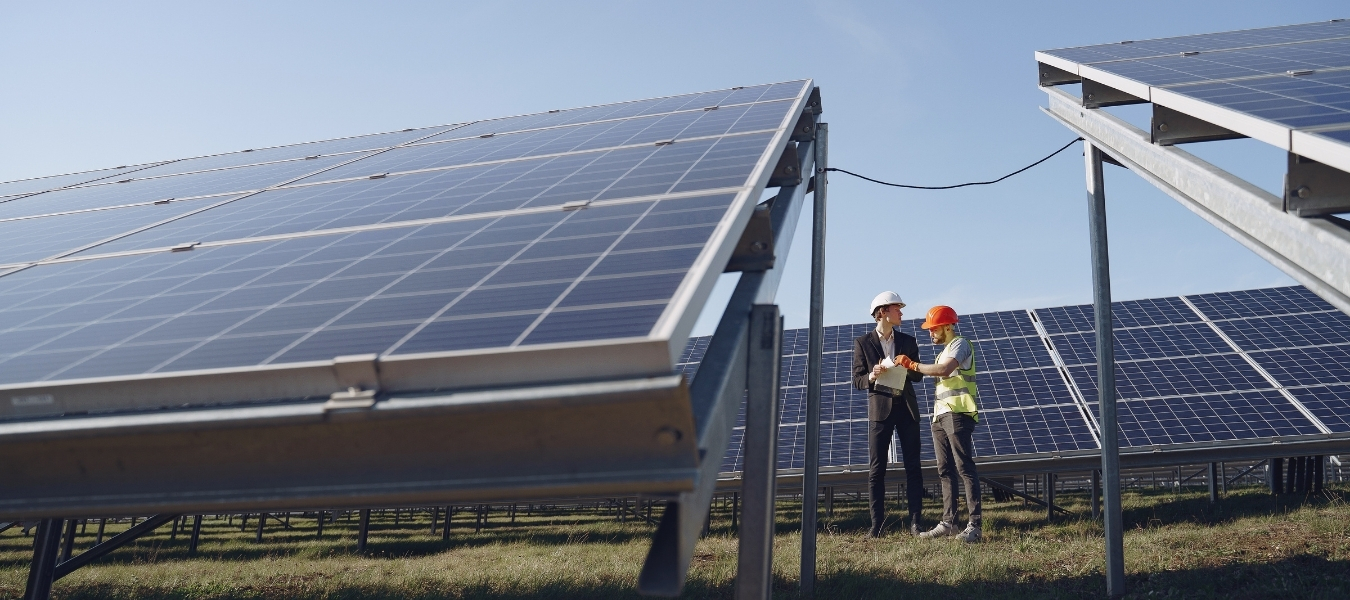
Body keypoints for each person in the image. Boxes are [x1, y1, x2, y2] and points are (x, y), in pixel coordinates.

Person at [897, 305, 982, 543]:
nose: (930, 333)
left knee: (964, 468)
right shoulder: (943, 351)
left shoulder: (960, 345)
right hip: (940, 416)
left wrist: (912, 365)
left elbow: (944, 371)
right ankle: (949, 523)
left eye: (934, 329)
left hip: (958, 413)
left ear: (947, 326)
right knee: (945, 470)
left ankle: (974, 526)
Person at [852, 291, 925, 537]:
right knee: (876, 470)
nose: (901, 313)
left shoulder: (908, 341)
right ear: (883, 312)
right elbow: (858, 380)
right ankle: (877, 526)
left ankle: (915, 523)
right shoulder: (863, 343)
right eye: (897, 309)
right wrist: (872, 375)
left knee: (913, 467)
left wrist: (907, 365)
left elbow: (918, 375)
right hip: (880, 411)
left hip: (906, 408)